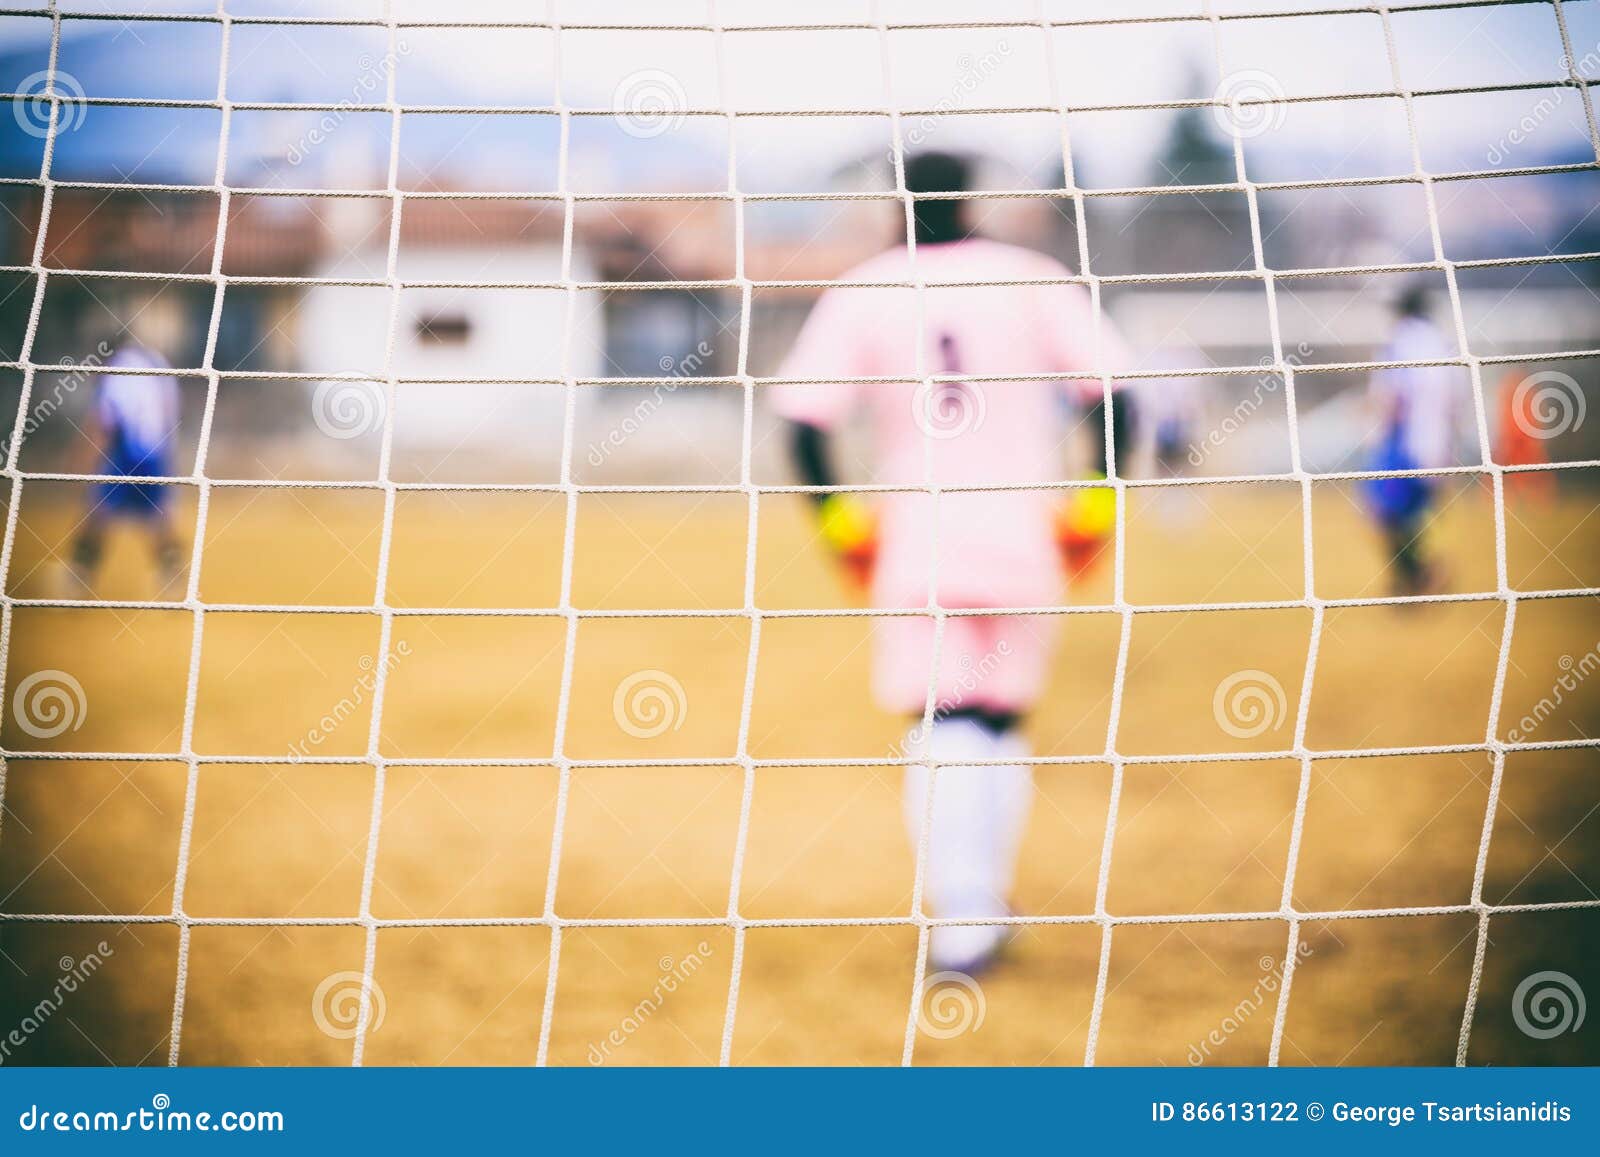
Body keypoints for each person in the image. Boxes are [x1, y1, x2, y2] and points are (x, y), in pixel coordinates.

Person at [770, 152, 1133, 973]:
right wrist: (1096, 511)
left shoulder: (867, 289)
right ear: (971, 197)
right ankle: (983, 906)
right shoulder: (1031, 278)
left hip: (917, 544)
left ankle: (963, 918)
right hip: (1022, 537)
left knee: (940, 720)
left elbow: (800, 419)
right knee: (997, 717)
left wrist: (841, 528)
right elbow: (1115, 395)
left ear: (892, 205)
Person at [1361, 286, 1468, 597]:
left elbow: (1390, 395)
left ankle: (1418, 575)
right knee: (1407, 515)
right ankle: (1414, 579)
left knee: (1380, 511)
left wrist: (1375, 431)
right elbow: (1457, 398)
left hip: (1403, 441)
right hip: (1436, 444)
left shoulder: (1400, 342)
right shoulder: (1442, 344)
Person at [63, 335, 185, 597]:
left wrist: (82, 460)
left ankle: (78, 576)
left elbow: (104, 421)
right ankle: (173, 578)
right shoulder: (156, 361)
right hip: (157, 451)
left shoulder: (117, 370)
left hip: (129, 453)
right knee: (157, 516)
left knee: (98, 511)